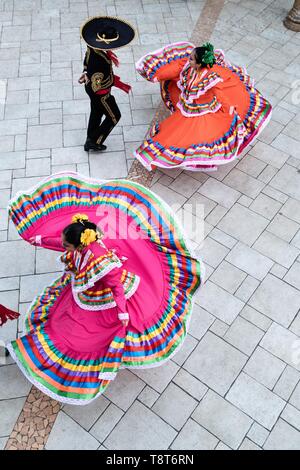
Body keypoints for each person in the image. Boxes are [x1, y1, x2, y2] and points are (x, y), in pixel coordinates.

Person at [6, 172, 203, 404]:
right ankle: (27, 347)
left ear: (79, 244)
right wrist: (38, 240)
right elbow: (60, 243)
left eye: (67, 244)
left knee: (82, 335)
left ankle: (29, 351)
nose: (63, 246)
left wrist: (121, 312)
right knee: (67, 318)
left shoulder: (103, 264)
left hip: (106, 296)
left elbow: (117, 288)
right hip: (88, 290)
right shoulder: (83, 240)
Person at [135, 42, 272, 171]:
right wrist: (154, 75)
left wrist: (231, 112)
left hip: (201, 111)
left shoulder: (210, 78)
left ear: (200, 63)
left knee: (182, 137)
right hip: (188, 109)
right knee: (172, 132)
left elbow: (221, 96)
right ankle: (154, 158)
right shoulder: (190, 68)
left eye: (192, 59)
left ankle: (155, 159)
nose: (189, 60)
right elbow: (175, 69)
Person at [78, 16, 135, 152]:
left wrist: (86, 72)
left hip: (92, 87)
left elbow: (87, 58)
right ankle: (95, 141)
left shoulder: (92, 47)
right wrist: (110, 81)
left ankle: (90, 137)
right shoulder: (101, 61)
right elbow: (98, 86)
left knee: (96, 112)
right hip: (100, 94)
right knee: (114, 116)